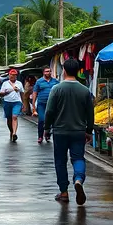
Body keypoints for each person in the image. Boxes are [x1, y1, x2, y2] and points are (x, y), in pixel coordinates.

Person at [43, 58, 94, 205]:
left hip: (60, 131)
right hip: (78, 131)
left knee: (60, 160)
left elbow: (50, 111)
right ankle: (78, 179)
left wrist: (47, 128)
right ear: (78, 71)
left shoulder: (56, 89)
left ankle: (64, 192)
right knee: (78, 158)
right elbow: (90, 113)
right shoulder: (85, 90)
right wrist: (89, 130)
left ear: (63, 70)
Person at [32, 67, 59, 144]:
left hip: (52, 104)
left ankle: (47, 134)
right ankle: (40, 136)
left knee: (52, 120)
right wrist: (33, 105)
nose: (49, 73)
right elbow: (35, 93)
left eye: (50, 71)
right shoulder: (39, 81)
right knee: (42, 119)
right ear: (43, 72)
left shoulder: (55, 81)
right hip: (41, 104)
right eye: (47, 71)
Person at [0, 69, 25, 142]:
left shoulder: (19, 83)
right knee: (9, 119)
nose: (12, 76)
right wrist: (8, 91)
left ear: (16, 76)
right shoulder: (5, 83)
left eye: (14, 75)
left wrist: (23, 103)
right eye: (11, 75)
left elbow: (22, 93)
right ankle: (11, 131)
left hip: (17, 102)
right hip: (7, 102)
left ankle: (14, 133)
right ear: (9, 75)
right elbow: (1, 94)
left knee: (14, 117)